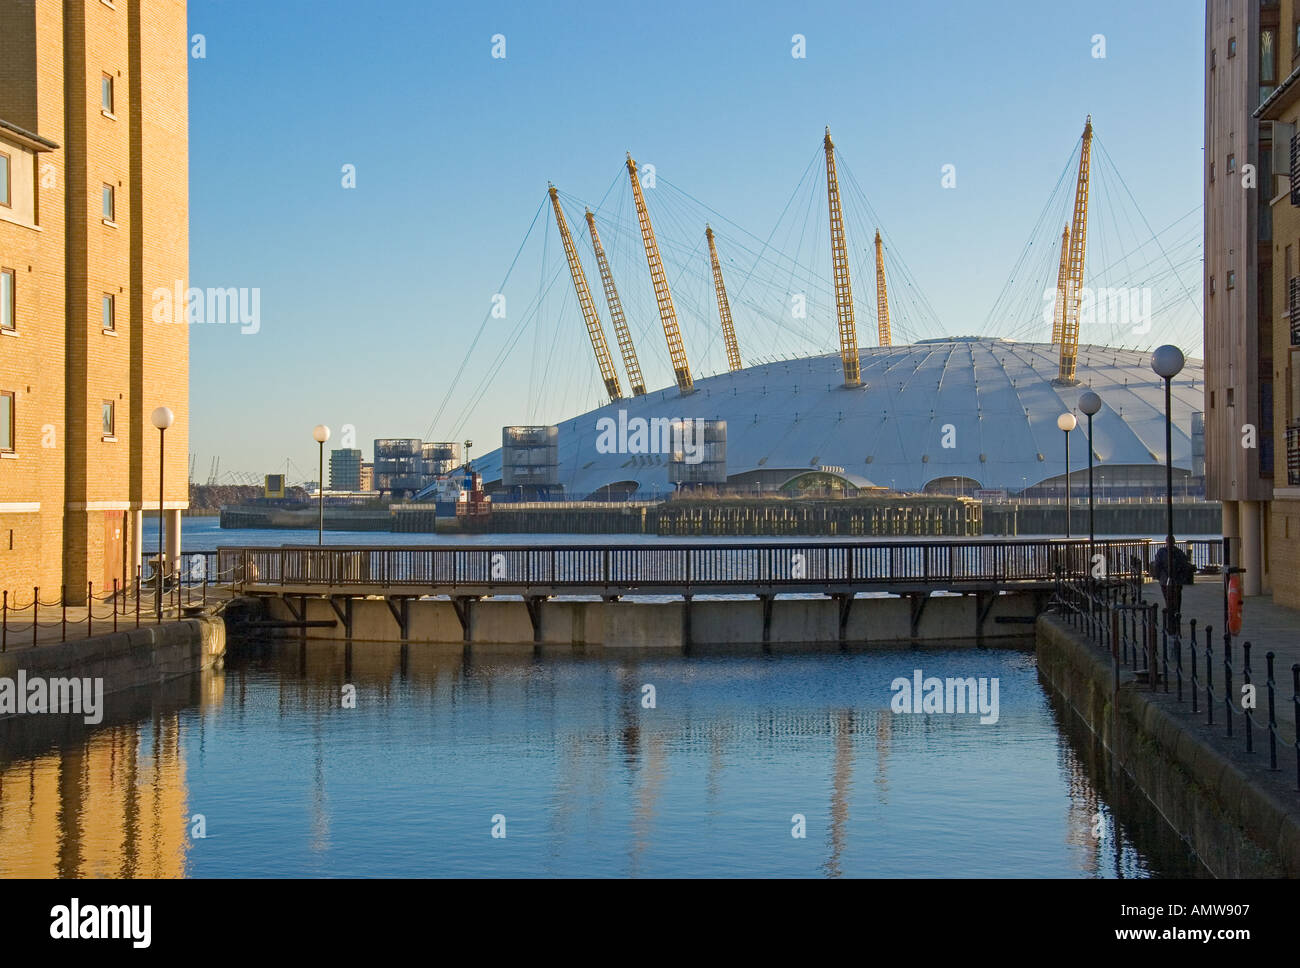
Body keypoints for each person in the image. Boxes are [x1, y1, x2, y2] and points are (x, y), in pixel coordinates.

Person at [1150, 544, 1195, 633]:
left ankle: (1171, 623)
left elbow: (1157, 566)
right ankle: (1176, 623)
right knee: (1177, 602)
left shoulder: (1162, 552)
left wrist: (1159, 577)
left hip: (1166, 581)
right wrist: (1182, 578)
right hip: (1176, 582)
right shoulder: (1179, 552)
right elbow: (1185, 565)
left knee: (1168, 601)